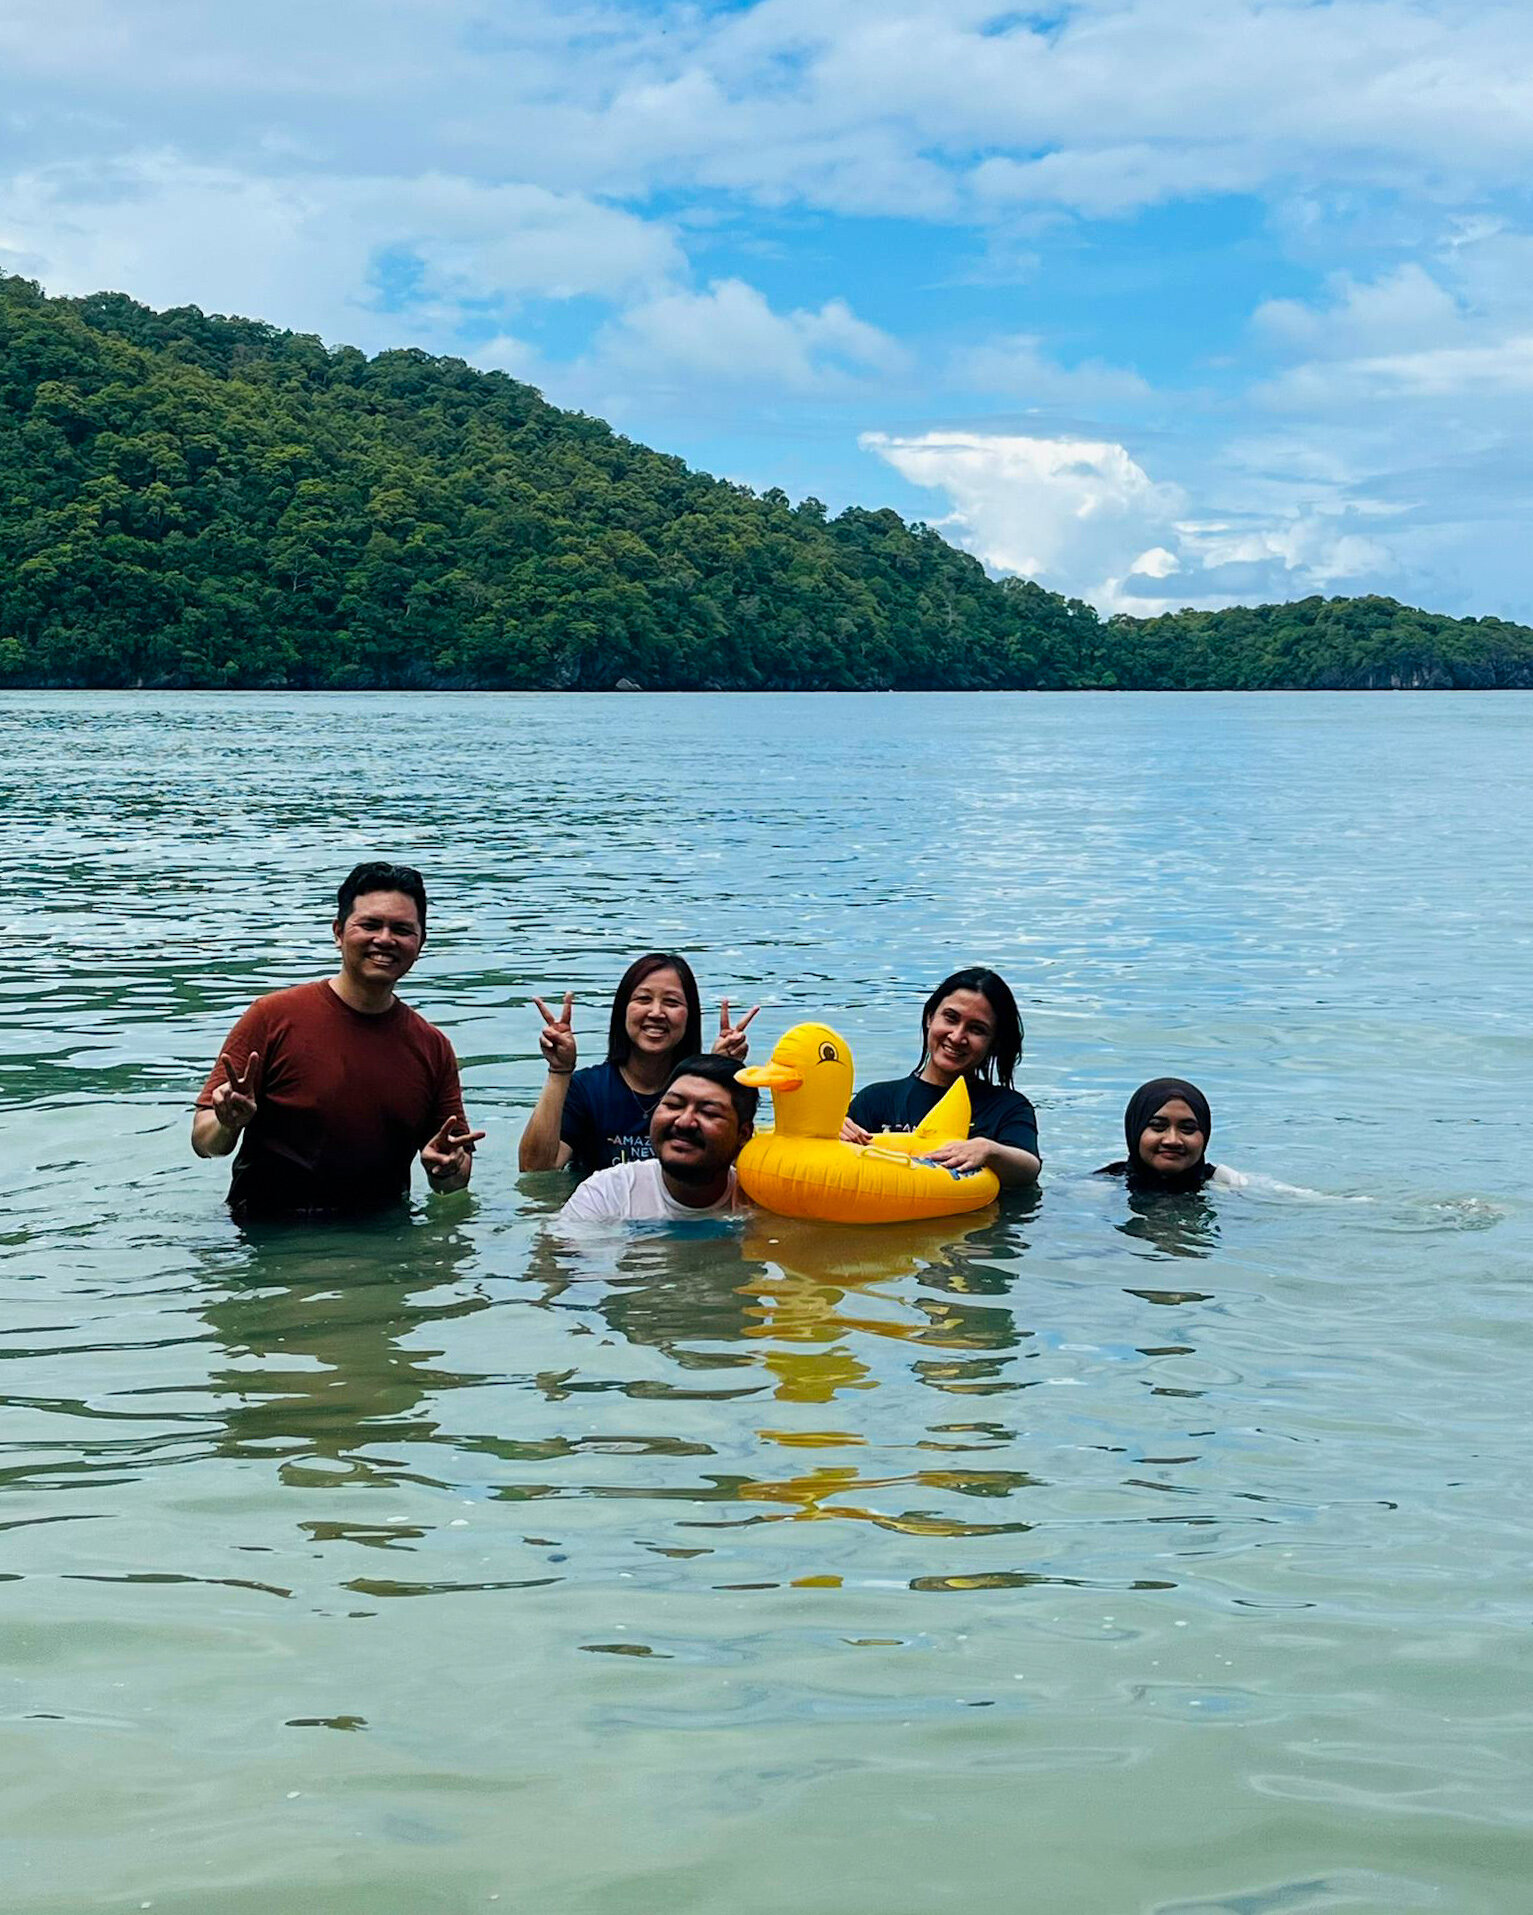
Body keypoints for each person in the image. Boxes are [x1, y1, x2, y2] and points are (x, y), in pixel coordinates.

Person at [192, 862, 483, 1219]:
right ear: (338, 932)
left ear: (420, 942)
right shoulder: (272, 1017)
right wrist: (228, 1122)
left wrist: (448, 1168)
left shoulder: (432, 1046)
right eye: (370, 925)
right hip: (269, 1237)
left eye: (402, 929)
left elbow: (454, 1176)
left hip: (380, 1240)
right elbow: (204, 1142)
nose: (385, 939)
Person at [518, 953, 758, 1176]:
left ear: (690, 1016)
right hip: (601, 1216)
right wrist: (559, 1071)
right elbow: (536, 1171)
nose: (656, 1012)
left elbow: (736, 1171)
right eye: (643, 999)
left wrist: (722, 1075)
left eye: (672, 1002)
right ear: (623, 1011)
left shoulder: (699, 1092)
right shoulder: (587, 1089)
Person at [840, 967, 1041, 1186]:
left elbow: (1029, 1166)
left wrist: (989, 1150)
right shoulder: (876, 1100)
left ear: (993, 1043)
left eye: (976, 1029)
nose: (957, 1037)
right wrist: (832, 1131)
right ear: (930, 1018)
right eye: (951, 1018)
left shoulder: (1007, 1107)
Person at [557, 1055, 758, 1222]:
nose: (684, 1122)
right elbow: (559, 1266)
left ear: (743, 1135)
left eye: (708, 1112)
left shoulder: (760, 1202)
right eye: (673, 1105)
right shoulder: (608, 1193)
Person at [1096, 1077, 1245, 1192]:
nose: (1172, 1140)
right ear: (1135, 1131)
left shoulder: (1233, 1185)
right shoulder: (1098, 1188)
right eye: (1157, 1126)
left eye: (1187, 1128)